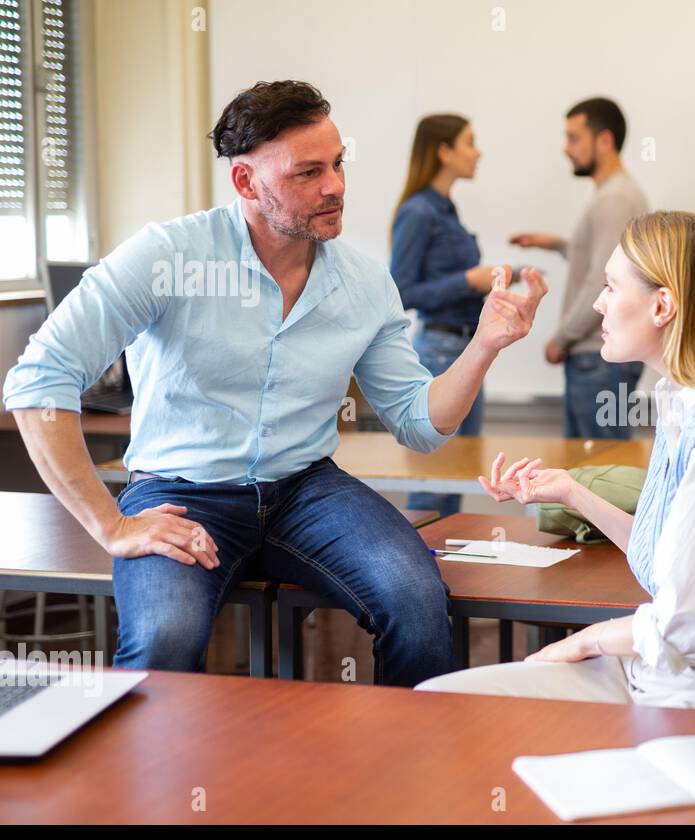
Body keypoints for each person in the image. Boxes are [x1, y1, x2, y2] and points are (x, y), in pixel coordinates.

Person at [2, 81, 548, 686]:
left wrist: (485, 345)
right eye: (307, 173)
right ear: (245, 182)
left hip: (306, 491)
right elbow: (38, 379)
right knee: (164, 641)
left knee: (417, 604)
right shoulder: (168, 255)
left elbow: (420, 425)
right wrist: (112, 524)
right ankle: (148, 780)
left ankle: (406, 774)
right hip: (183, 492)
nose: (335, 185)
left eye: (338, 164)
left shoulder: (365, 283)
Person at [417, 211, 695, 720]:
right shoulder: (682, 398)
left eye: (609, 286)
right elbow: (670, 560)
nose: (598, 303)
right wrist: (573, 494)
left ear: (662, 305)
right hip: (683, 668)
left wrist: (593, 639)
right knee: (438, 708)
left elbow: (694, 625)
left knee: (480, 726)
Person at [511, 97, 650, 440]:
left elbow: (602, 280)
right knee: (594, 473)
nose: (566, 148)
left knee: (598, 474)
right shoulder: (617, 194)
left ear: (604, 141)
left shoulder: (614, 199)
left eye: (574, 138)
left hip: (595, 362)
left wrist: (561, 338)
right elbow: (602, 262)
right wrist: (559, 244)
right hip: (598, 362)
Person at [390, 114, 498, 516]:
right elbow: (399, 290)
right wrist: (467, 281)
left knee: (457, 475)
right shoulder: (419, 212)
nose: (478, 152)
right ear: (444, 151)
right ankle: (425, 572)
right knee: (433, 484)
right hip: (438, 352)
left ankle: (448, 574)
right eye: (469, 142)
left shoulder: (446, 210)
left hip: (467, 349)